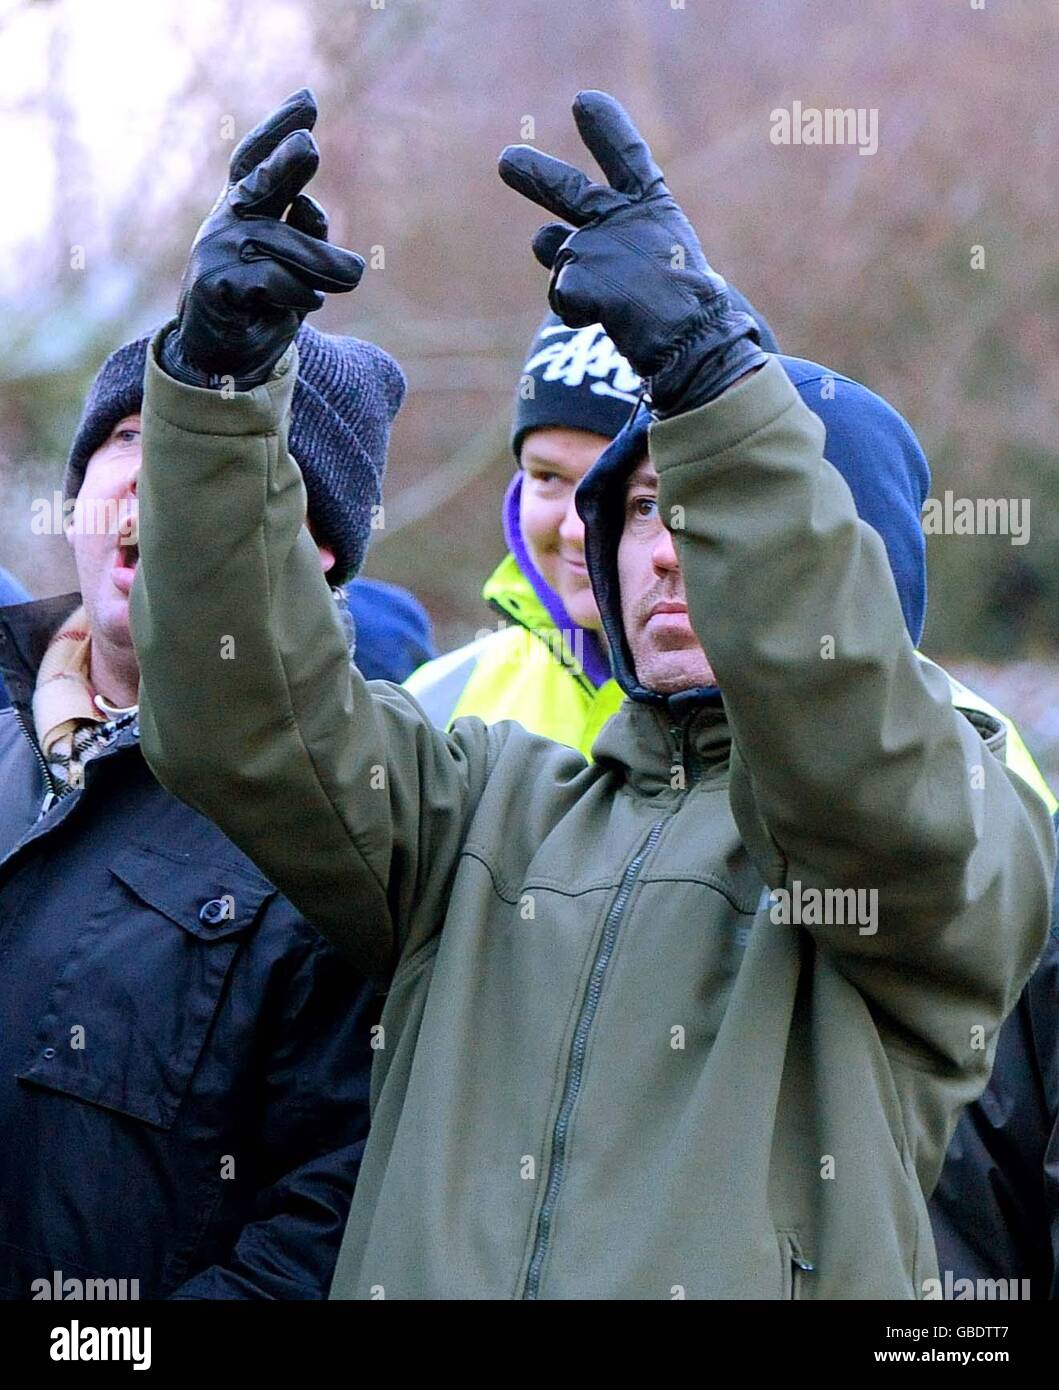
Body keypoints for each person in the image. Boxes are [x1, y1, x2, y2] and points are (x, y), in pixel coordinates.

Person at [130, 89, 1054, 1299]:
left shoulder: (963, 813)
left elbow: (859, 777)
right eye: (646, 508)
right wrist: (216, 394)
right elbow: (238, 717)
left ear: (845, 561)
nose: (667, 547)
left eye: (713, 509)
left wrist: (717, 378)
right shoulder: (487, 806)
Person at [0, 98, 406, 1298]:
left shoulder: (356, 822)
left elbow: (329, 1210)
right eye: (126, 439)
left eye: (213, 456)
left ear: (317, 549)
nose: (151, 483)